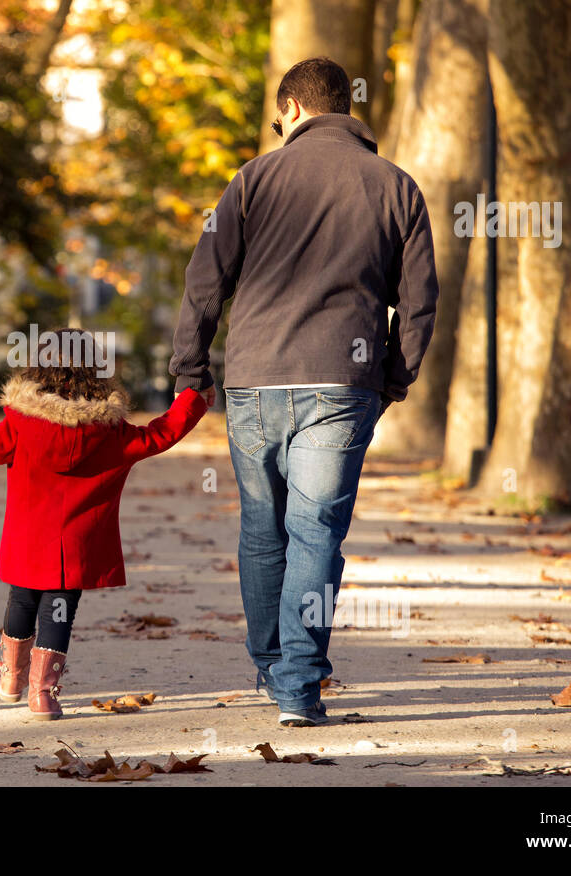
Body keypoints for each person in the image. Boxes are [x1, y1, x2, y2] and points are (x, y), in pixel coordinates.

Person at [169, 57, 438, 727]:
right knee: (315, 533)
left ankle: (270, 666)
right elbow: (421, 299)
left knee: (262, 530)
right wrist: (394, 373)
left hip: (255, 377)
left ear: (290, 108)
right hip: (341, 379)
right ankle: (297, 685)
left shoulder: (250, 181)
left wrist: (189, 371)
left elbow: (206, 280)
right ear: (346, 109)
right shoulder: (396, 185)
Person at [0, 329, 207, 719]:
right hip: (77, 549)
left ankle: (12, 677)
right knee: (59, 610)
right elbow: (161, 434)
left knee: (22, 600)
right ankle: (42, 694)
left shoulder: (19, 425)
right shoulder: (112, 432)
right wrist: (192, 400)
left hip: (27, 543)